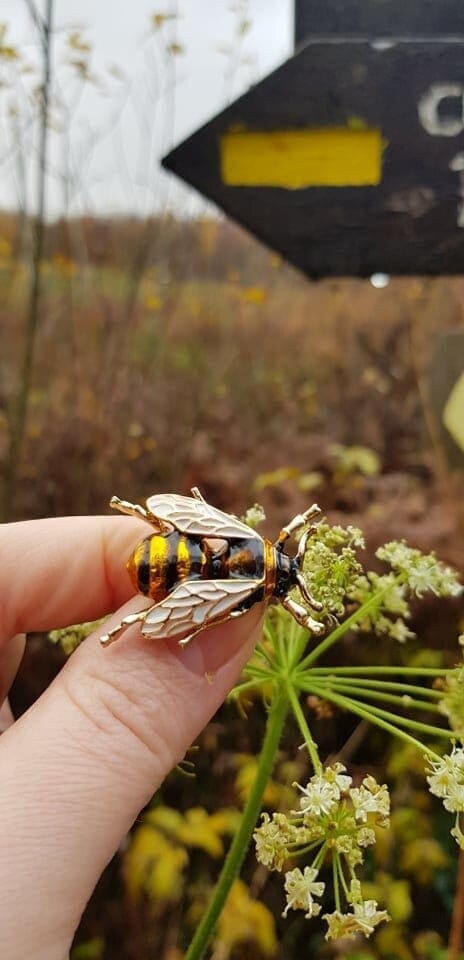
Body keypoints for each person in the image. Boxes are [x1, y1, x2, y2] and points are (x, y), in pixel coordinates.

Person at [0, 514, 262, 959]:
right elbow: (199, 607)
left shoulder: (247, 542)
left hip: (163, 554)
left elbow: (194, 527)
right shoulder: (246, 589)